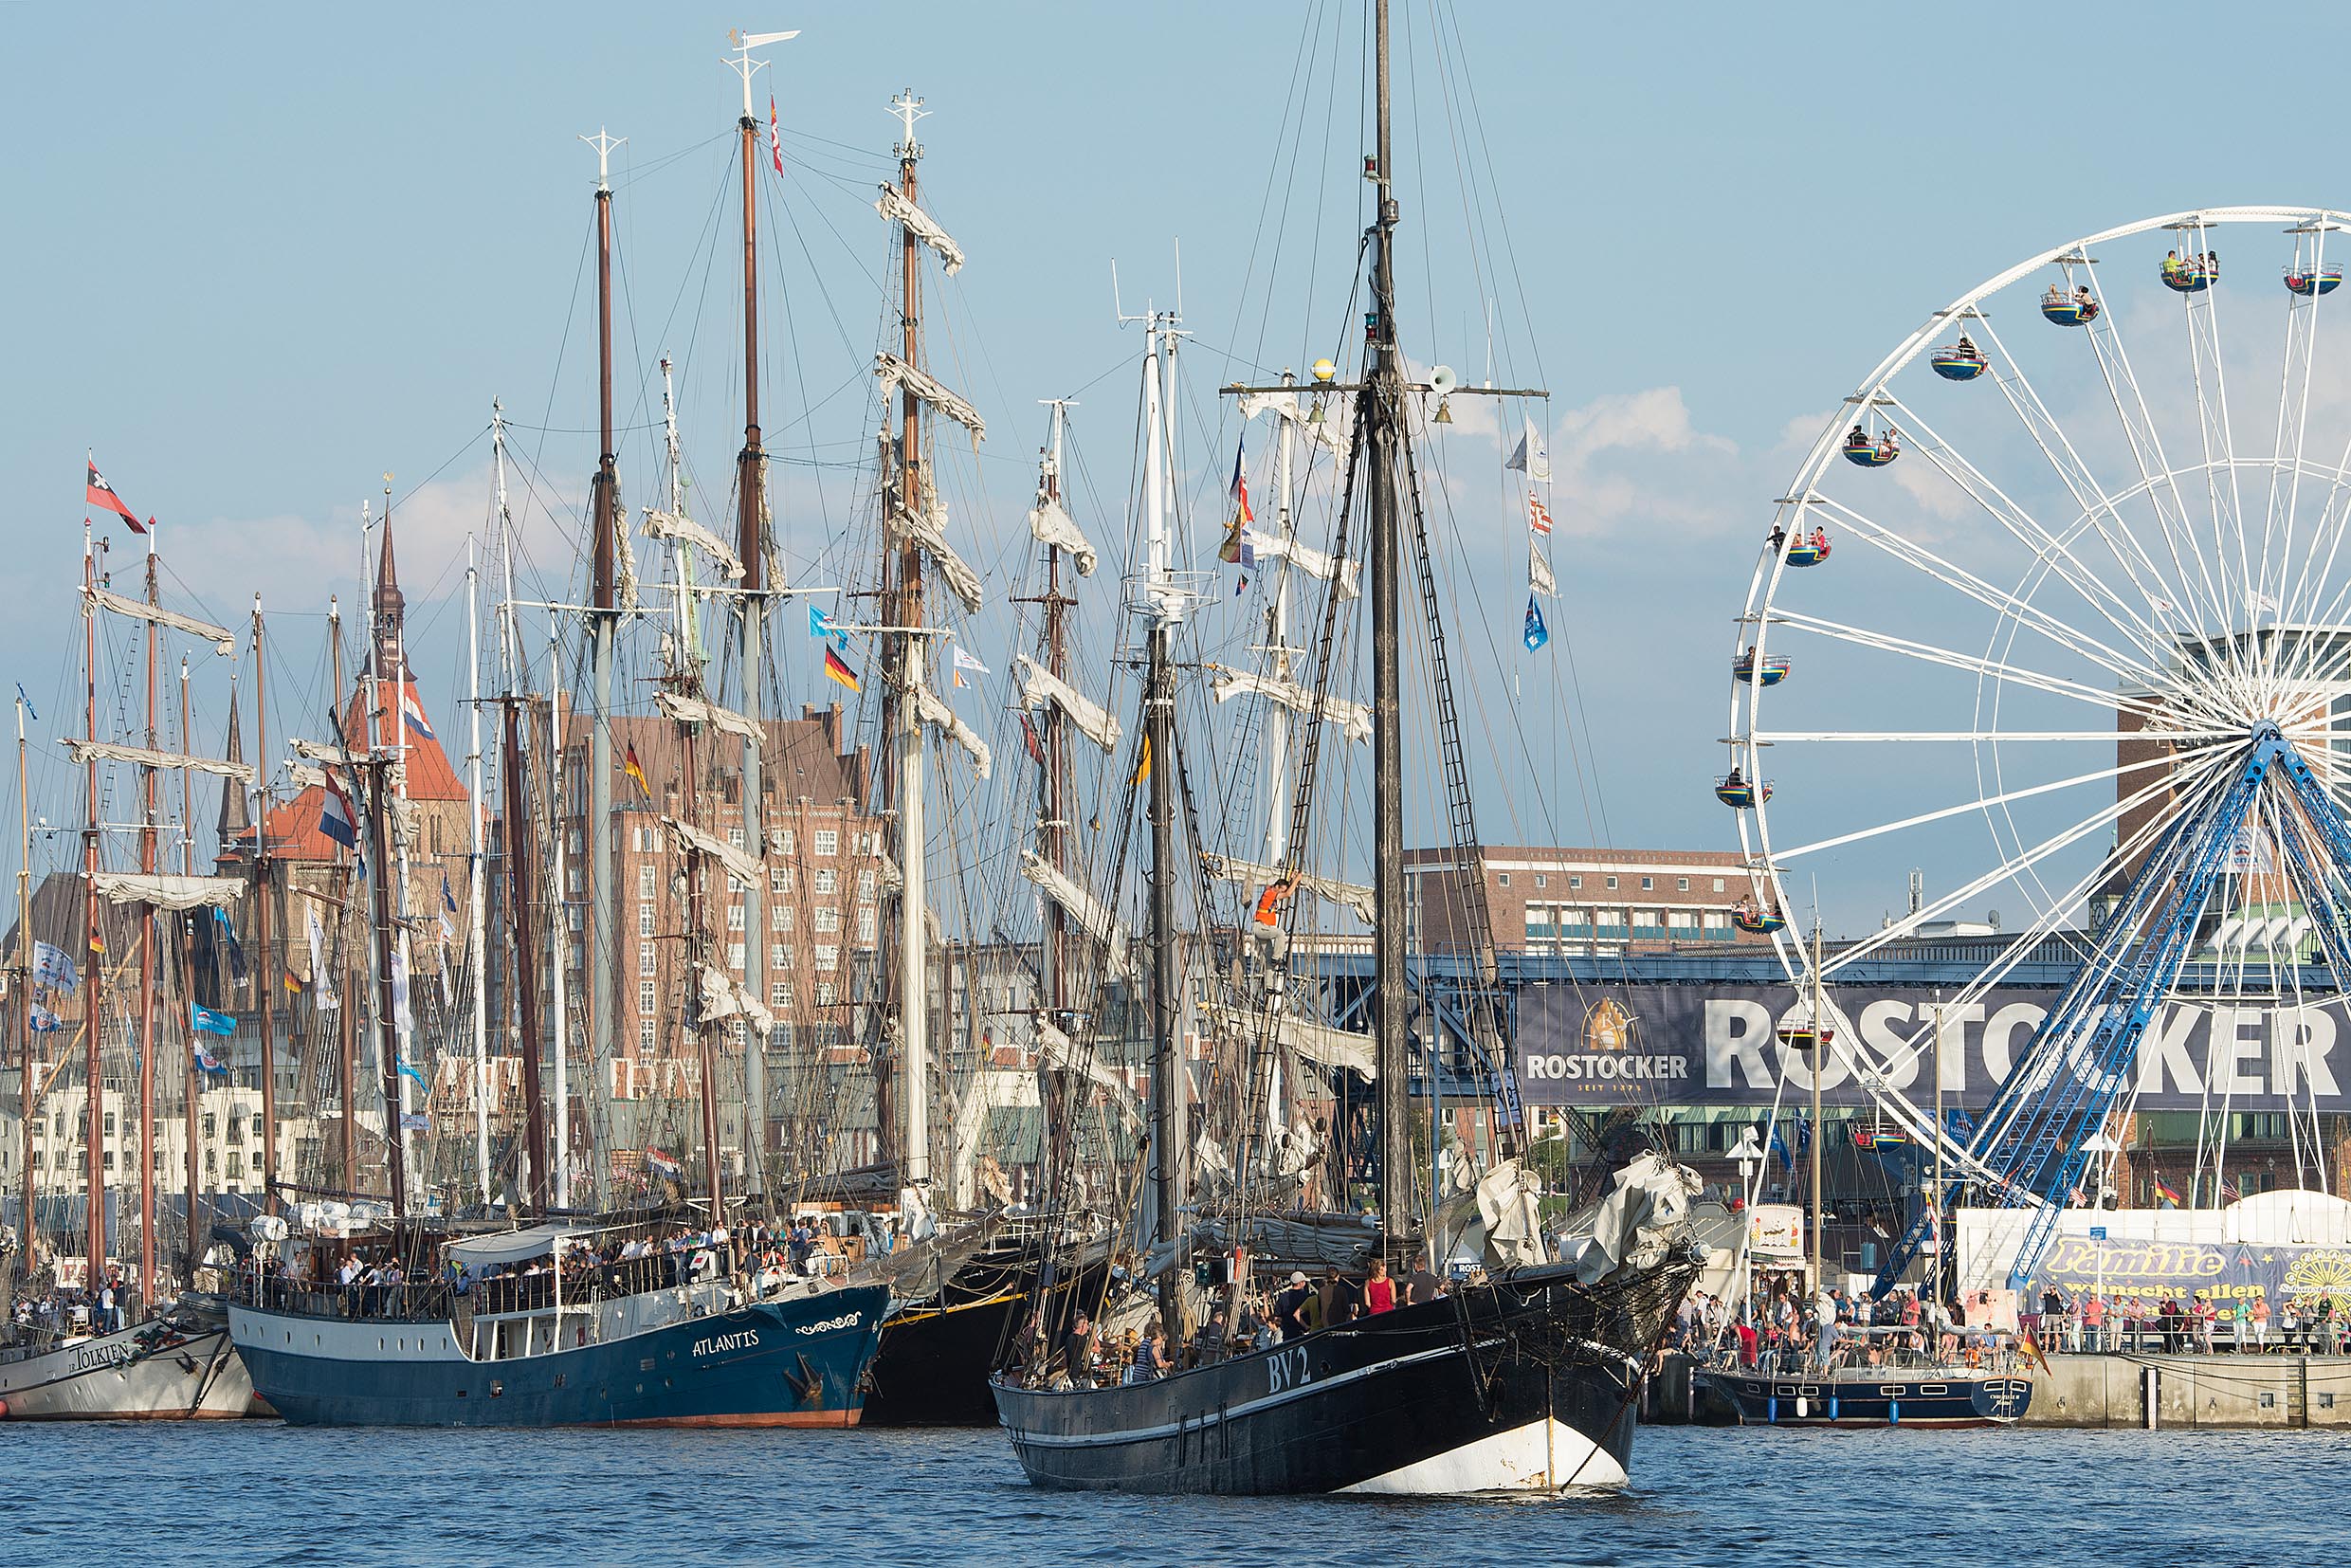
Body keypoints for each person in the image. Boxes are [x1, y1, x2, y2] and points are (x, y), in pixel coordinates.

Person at [1274, 1270, 1312, 1340]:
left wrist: (1285, 1323)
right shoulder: (1308, 1297)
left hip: (1288, 1334)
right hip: (1305, 1333)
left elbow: (1277, 1318)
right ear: (1301, 1283)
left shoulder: (1282, 1298)